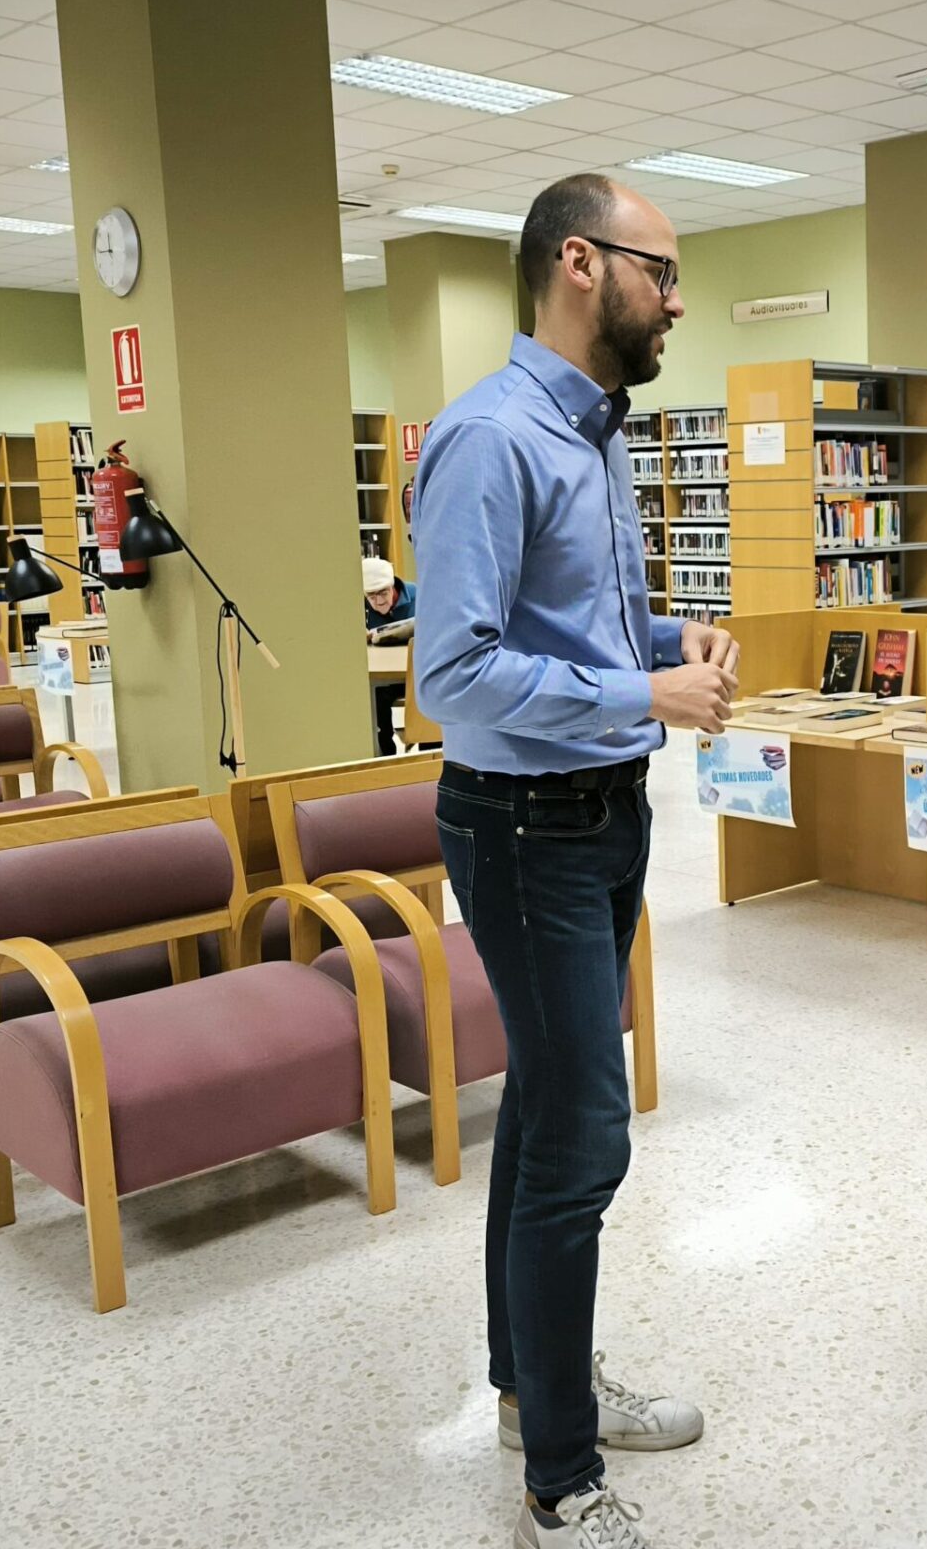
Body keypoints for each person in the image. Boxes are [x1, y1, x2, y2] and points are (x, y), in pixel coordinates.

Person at [412, 172, 737, 1549]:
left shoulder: (595, 434)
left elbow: (594, 624)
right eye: (661, 272)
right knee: (585, 1141)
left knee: (548, 1116)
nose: (678, 298)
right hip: (526, 827)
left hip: (600, 818)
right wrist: (638, 702)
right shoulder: (490, 438)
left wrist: (672, 647)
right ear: (580, 266)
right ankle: (559, 1470)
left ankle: (526, 1386)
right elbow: (456, 675)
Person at [361, 556, 414, 756]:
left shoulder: (418, 595)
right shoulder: (361, 606)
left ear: (392, 586)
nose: (379, 601)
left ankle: (430, 753)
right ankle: (386, 757)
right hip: (384, 677)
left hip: (415, 671)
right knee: (376, 697)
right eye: (371, 596)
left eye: (383, 592)